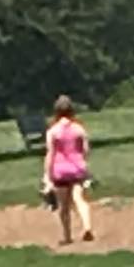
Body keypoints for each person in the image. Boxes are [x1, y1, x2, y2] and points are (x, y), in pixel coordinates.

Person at [40, 95, 94, 245]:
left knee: (64, 206)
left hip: (60, 170)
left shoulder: (53, 131)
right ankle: (87, 227)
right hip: (77, 169)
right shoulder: (79, 129)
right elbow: (86, 150)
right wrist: (83, 163)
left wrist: (47, 175)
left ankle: (67, 236)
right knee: (79, 199)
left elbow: (50, 154)